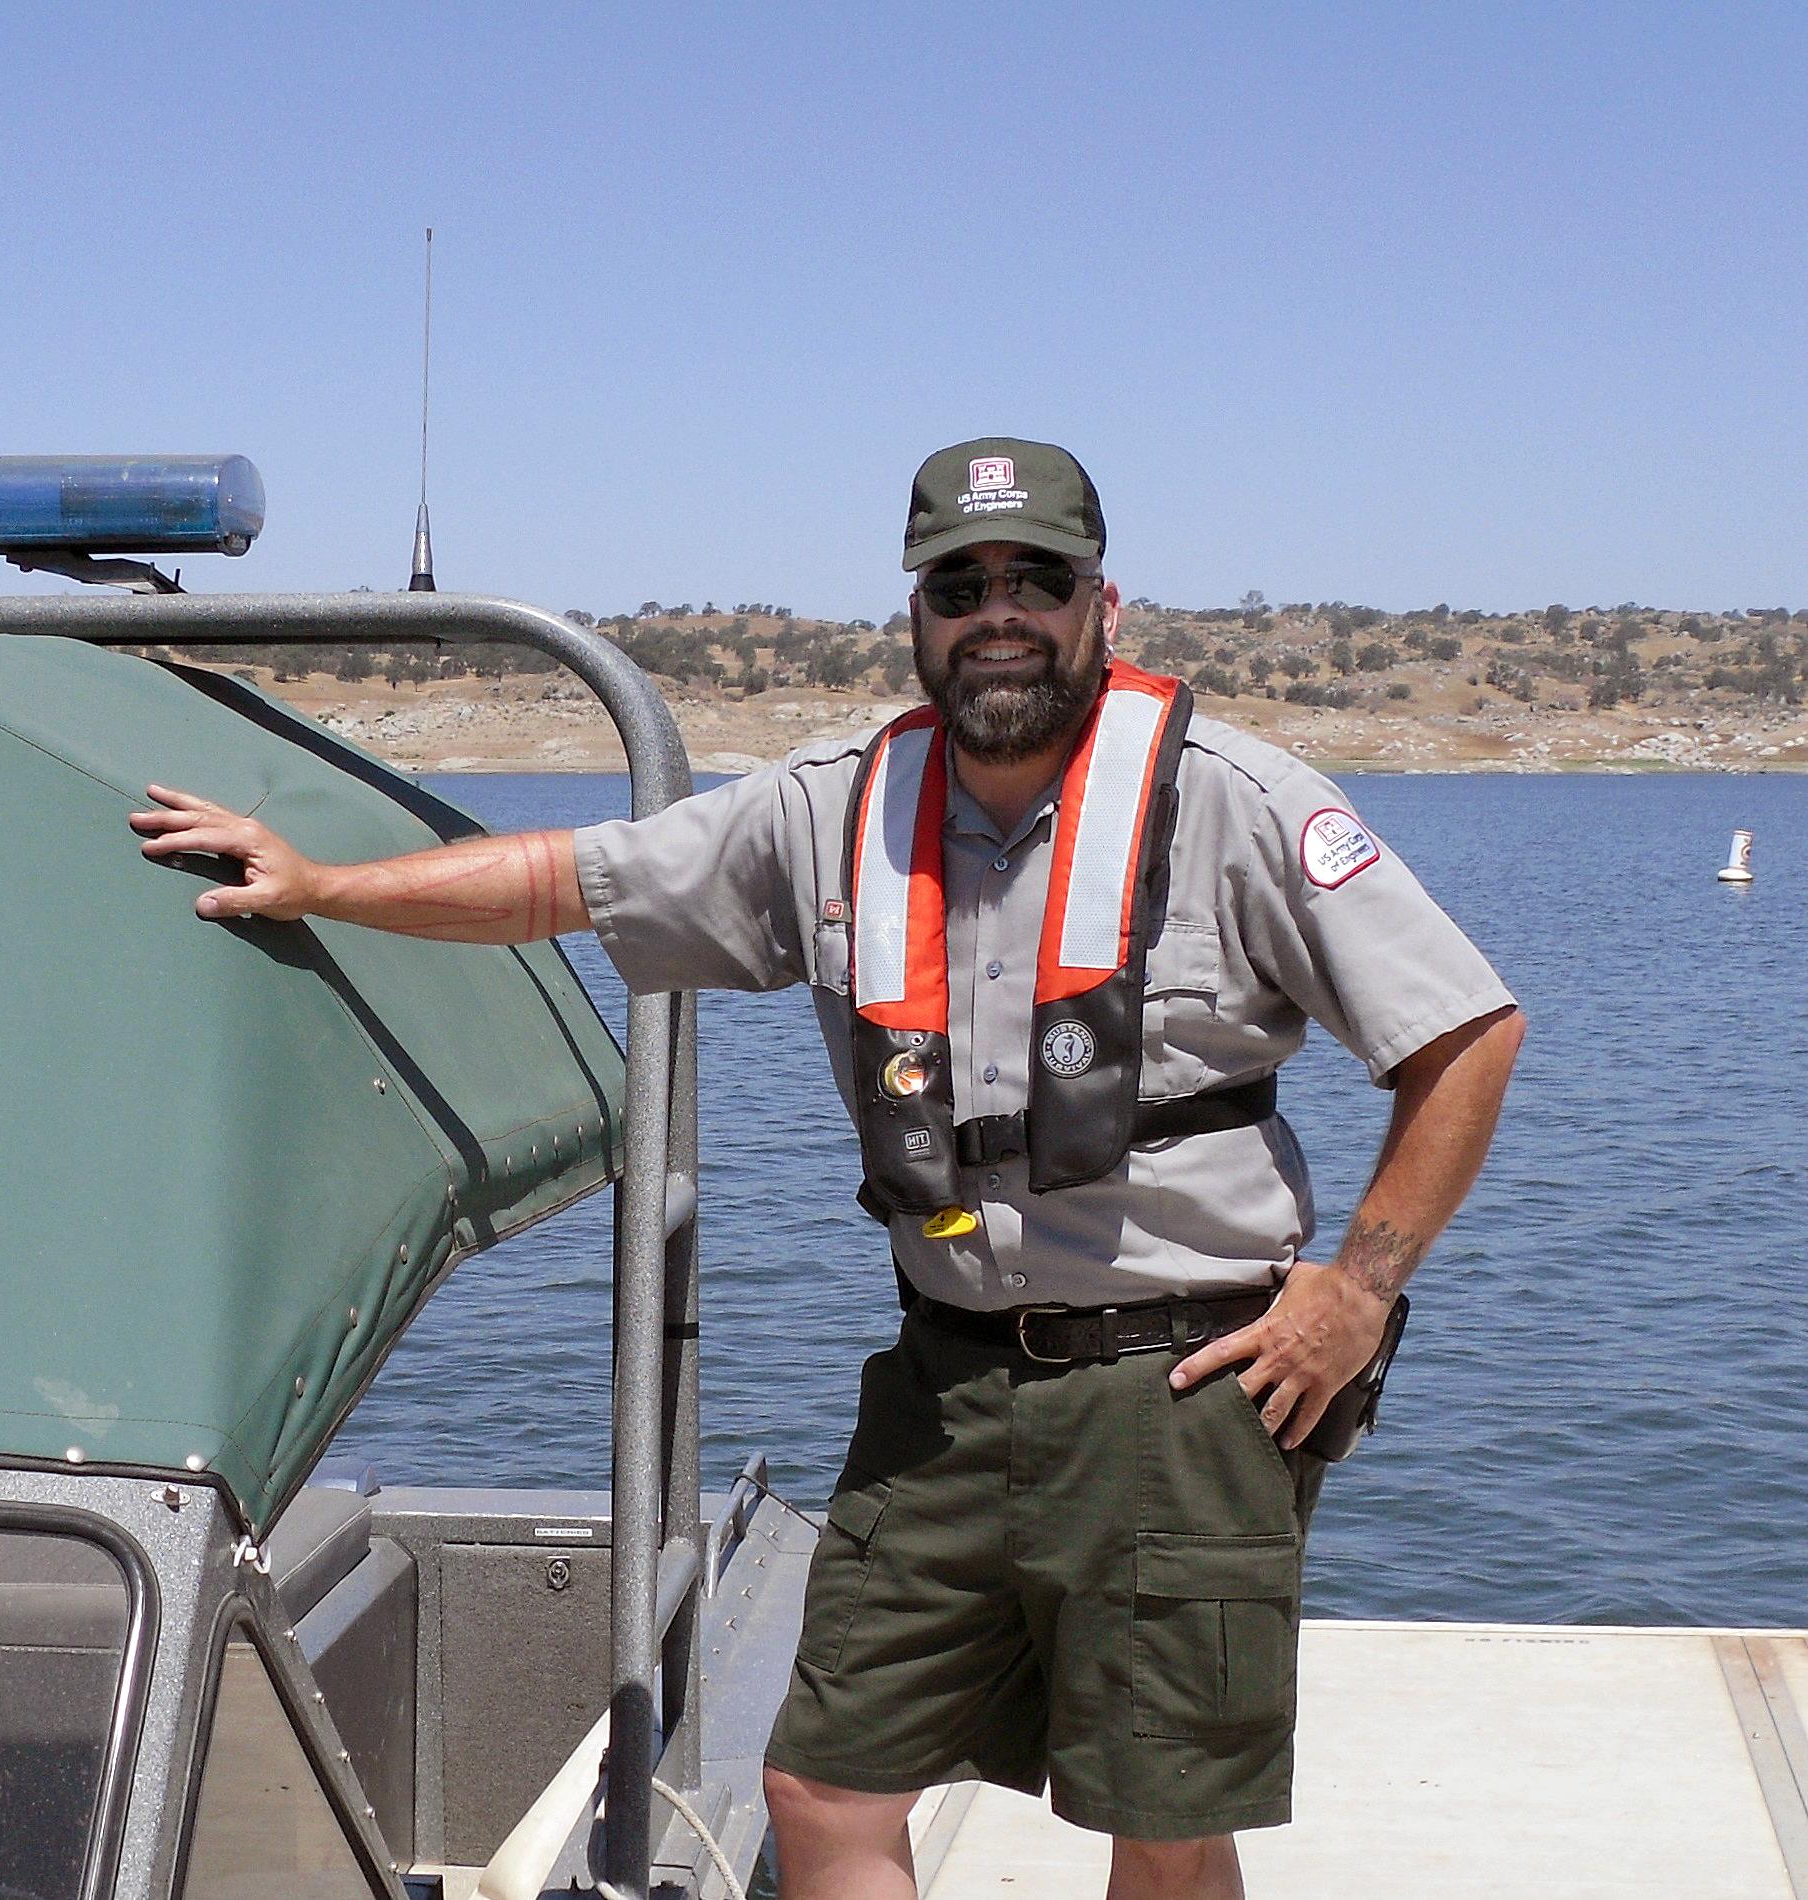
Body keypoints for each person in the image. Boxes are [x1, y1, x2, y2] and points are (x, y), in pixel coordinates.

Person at [127, 437, 1524, 1900]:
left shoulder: (1232, 799)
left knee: (1159, 1826)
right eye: (959, 582)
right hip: (944, 1387)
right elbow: (568, 882)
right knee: (819, 1784)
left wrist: (1355, 1292)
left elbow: (1465, 1034)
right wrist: (323, 886)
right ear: (914, 614)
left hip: (1176, 1389)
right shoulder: (828, 804)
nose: (997, 611)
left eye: (1033, 581)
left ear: (1102, 609)